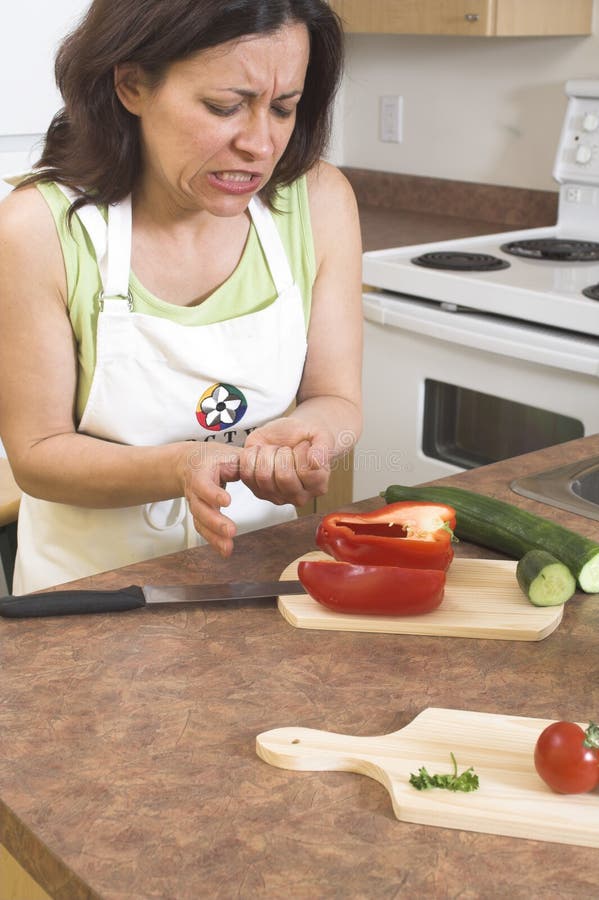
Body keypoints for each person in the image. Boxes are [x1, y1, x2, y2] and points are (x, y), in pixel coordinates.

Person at [0, 0, 363, 595]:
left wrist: (312, 437)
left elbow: (336, 399)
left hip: (261, 584)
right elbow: (38, 454)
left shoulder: (316, 202)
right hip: (86, 601)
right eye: (225, 106)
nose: (260, 143)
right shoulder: (40, 229)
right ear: (132, 83)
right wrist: (181, 465)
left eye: (283, 108)